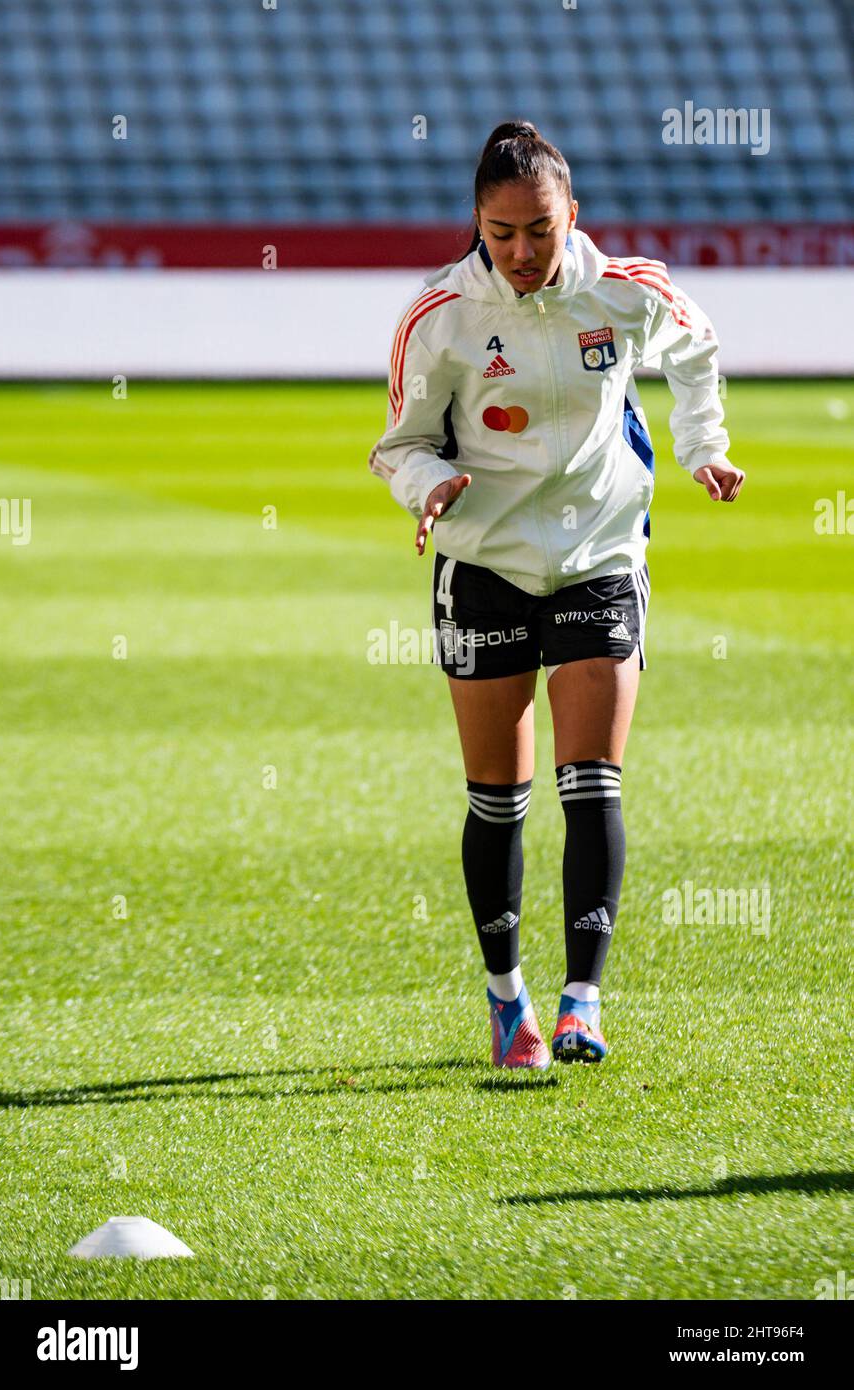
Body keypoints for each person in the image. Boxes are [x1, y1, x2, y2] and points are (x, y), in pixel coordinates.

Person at [368, 121, 744, 1070]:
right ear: (476, 224)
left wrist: (703, 449)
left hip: (598, 549)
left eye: (539, 228)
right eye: (501, 232)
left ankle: (581, 999)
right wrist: (430, 488)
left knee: (593, 784)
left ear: (571, 214)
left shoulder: (623, 290)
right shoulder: (438, 316)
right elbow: (398, 444)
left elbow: (694, 348)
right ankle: (507, 1002)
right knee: (498, 797)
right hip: (486, 558)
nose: (523, 252)